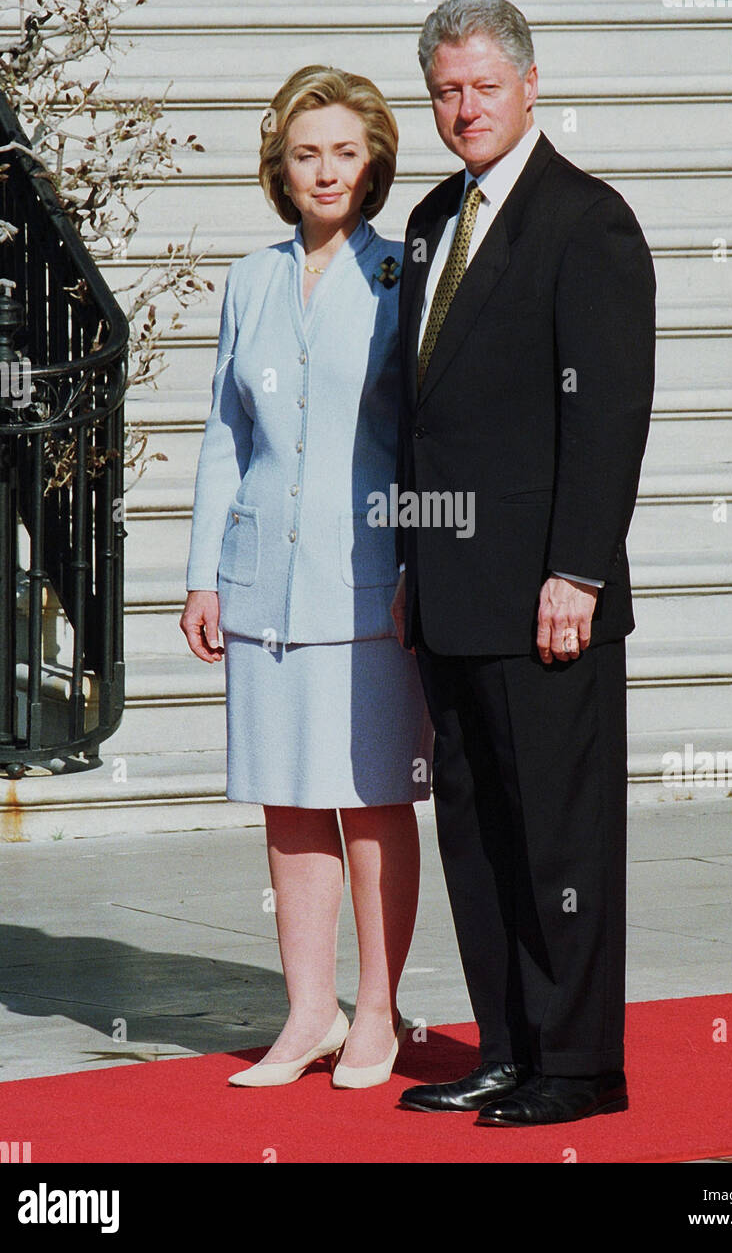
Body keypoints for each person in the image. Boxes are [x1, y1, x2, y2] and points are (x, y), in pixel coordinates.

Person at [391, 0, 656, 1126]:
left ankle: (580, 1064)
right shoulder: (428, 219)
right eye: (446, 89)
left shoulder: (583, 220)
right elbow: (423, 415)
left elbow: (606, 417)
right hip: (450, 589)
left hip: (547, 593)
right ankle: (505, 1045)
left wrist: (579, 572)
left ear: (530, 84)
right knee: (477, 831)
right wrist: (410, 558)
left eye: (483, 86)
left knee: (558, 833)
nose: (464, 109)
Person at [180, 65, 432, 1091]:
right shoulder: (248, 278)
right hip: (259, 584)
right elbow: (223, 435)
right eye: (303, 154)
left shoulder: (402, 275)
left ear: (371, 160)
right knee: (287, 801)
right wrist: (202, 572)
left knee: (371, 799)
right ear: (277, 170)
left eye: (342, 151)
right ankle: (306, 1013)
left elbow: (426, 437)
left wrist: (420, 556)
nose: (323, 171)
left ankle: (376, 1011)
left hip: (367, 579)